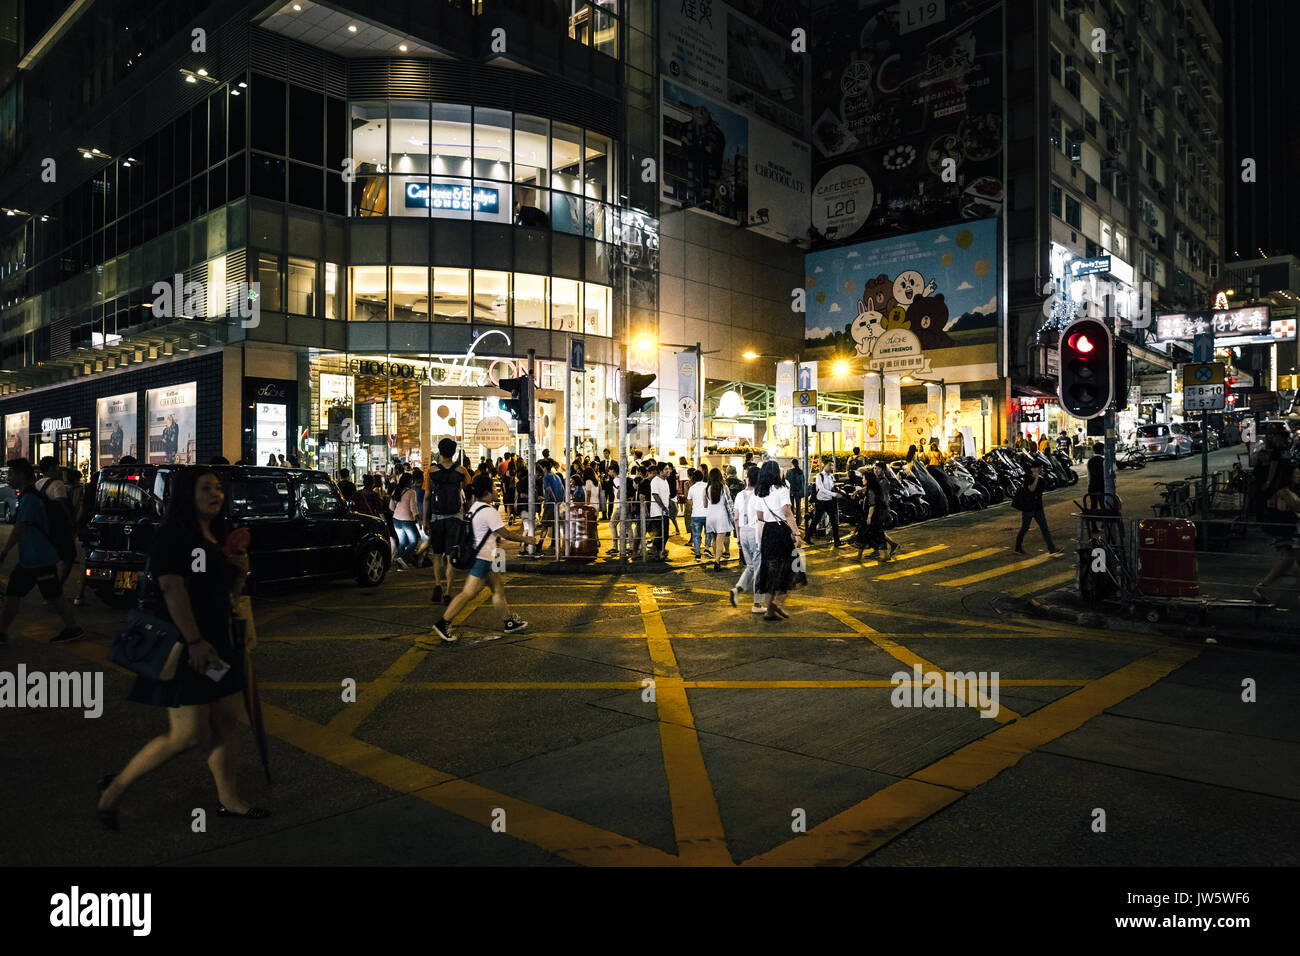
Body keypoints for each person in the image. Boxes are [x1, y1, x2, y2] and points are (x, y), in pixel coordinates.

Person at [95, 467, 267, 829]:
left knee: (226, 722)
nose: (215, 494)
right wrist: (194, 640)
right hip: (189, 645)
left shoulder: (215, 532)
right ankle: (113, 791)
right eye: (206, 488)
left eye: (219, 488)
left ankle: (229, 799)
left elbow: (228, 593)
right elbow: (173, 589)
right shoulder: (174, 534)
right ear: (187, 494)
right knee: (187, 735)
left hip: (219, 644)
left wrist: (239, 566)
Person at [430, 475, 536, 645]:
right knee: (468, 593)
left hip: (488, 557)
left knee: (498, 588)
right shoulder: (488, 511)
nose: (496, 491)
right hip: (483, 558)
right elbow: (505, 533)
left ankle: (509, 622)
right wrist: (527, 540)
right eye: (494, 489)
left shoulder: (475, 507)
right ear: (487, 492)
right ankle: (444, 623)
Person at [0, 458, 83, 646]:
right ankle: (2, 632)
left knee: (52, 595)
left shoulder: (30, 498)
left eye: (11, 474)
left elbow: (20, 527)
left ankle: (72, 627)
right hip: (33, 559)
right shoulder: (29, 495)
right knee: (21, 593)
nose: (8, 478)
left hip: (39, 558)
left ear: (21, 475)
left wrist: (5, 551)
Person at [754, 460, 801, 621]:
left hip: (768, 531)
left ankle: (769, 610)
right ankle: (777, 604)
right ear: (776, 473)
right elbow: (787, 513)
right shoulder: (782, 489)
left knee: (769, 570)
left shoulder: (761, 491)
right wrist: (796, 532)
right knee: (791, 568)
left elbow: (759, 516)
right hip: (781, 531)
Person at [426, 438, 467, 605]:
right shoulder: (462, 471)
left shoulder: (430, 471)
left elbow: (427, 498)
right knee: (451, 556)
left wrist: (424, 520)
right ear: (454, 452)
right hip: (455, 519)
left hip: (436, 518)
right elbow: (467, 495)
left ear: (440, 452)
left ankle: (437, 584)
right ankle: (448, 592)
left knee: (437, 555)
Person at [1254, 461, 1300, 602]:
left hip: (1290, 531)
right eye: (1296, 473)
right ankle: (1260, 587)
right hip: (1286, 532)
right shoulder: (1284, 491)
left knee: (1292, 562)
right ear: (1289, 475)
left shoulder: (1289, 490)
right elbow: (1298, 508)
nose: (1298, 475)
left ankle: (1261, 587)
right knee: (1288, 559)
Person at [729, 466, 763, 611]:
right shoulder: (760, 495)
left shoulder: (739, 495)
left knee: (750, 566)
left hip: (742, 532)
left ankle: (737, 589)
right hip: (755, 533)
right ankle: (757, 604)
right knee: (759, 569)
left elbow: (736, 518)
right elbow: (761, 517)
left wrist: (737, 537)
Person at [855, 463, 901, 562]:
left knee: (875, 532)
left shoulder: (883, 482)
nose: (876, 470)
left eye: (878, 469)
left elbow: (878, 500)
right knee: (876, 532)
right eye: (875, 468)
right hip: (874, 512)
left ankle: (881, 551)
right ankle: (889, 547)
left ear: (883, 470)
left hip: (878, 512)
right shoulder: (874, 482)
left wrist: (870, 516)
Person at [1014, 463, 1063, 555]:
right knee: (1025, 528)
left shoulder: (1042, 480)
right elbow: (1031, 489)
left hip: (1038, 508)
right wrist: (1036, 478)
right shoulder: (1028, 478)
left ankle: (1051, 548)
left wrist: (1039, 478)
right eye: (1039, 468)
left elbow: (1041, 490)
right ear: (1033, 469)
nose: (1041, 469)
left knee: (1044, 528)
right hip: (1028, 508)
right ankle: (1018, 547)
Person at [704, 467, 734, 570]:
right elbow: (729, 503)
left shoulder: (706, 488)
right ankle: (717, 562)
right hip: (721, 516)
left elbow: (705, 504)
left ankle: (715, 559)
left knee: (714, 539)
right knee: (720, 540)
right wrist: (733, 517)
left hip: (710, 515)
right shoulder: (724, 487)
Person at [388, 473, 419, 570]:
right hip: (407, 520)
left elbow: (391, 507)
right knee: (414, 541)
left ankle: (400, 566)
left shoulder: (396, 491)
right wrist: (417, 518)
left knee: (402, 542)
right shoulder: (411, 493)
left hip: (396, 519)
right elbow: (413, 508)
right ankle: (402, 558)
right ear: (409, 481)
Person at [810, 459, 843, 547]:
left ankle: (837, 541)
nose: (831, 467)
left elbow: (832, 487)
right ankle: (807, 536)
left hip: (830, 502)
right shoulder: (819, 476)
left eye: (832, 465)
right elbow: (822, 489)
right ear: (825, 465)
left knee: (834, 521)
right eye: (830, 465)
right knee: (816, 520)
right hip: (821, 502)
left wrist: (837, 490)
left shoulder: (831, 476)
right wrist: (834, 494)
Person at [648, 463, 673, 560]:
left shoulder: (665, 481)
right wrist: (663, 507)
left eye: (669, 469)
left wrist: (670, 506)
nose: (668, 471)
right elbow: (655, 495)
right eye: (666, 469)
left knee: (665, 534)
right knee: (661, 534)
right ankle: (658, 552)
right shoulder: (655, 481)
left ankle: (659, 552)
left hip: (664, 512)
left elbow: (667, 496)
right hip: (657, 512)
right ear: (660, 471)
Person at [785, 459, 805, 528]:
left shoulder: (789, 471)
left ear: (792, 464)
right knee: (798, 507)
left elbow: (786, 482)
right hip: (798, 491)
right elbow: (803, 483)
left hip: (791, 492)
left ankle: (792, 522)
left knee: (791, 507)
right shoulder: (800, 472)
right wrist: (801, 491)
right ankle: (798, 522)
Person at [1086, 441, 1105, 510]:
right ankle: (1105, 520)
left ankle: (1093, 519)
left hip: (1092, 486)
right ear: (1102, 450)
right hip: (1102, 486)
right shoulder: (1104, 461)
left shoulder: (1090, 461)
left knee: (1093, 505)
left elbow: (1089, 475)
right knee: (1103, 505)